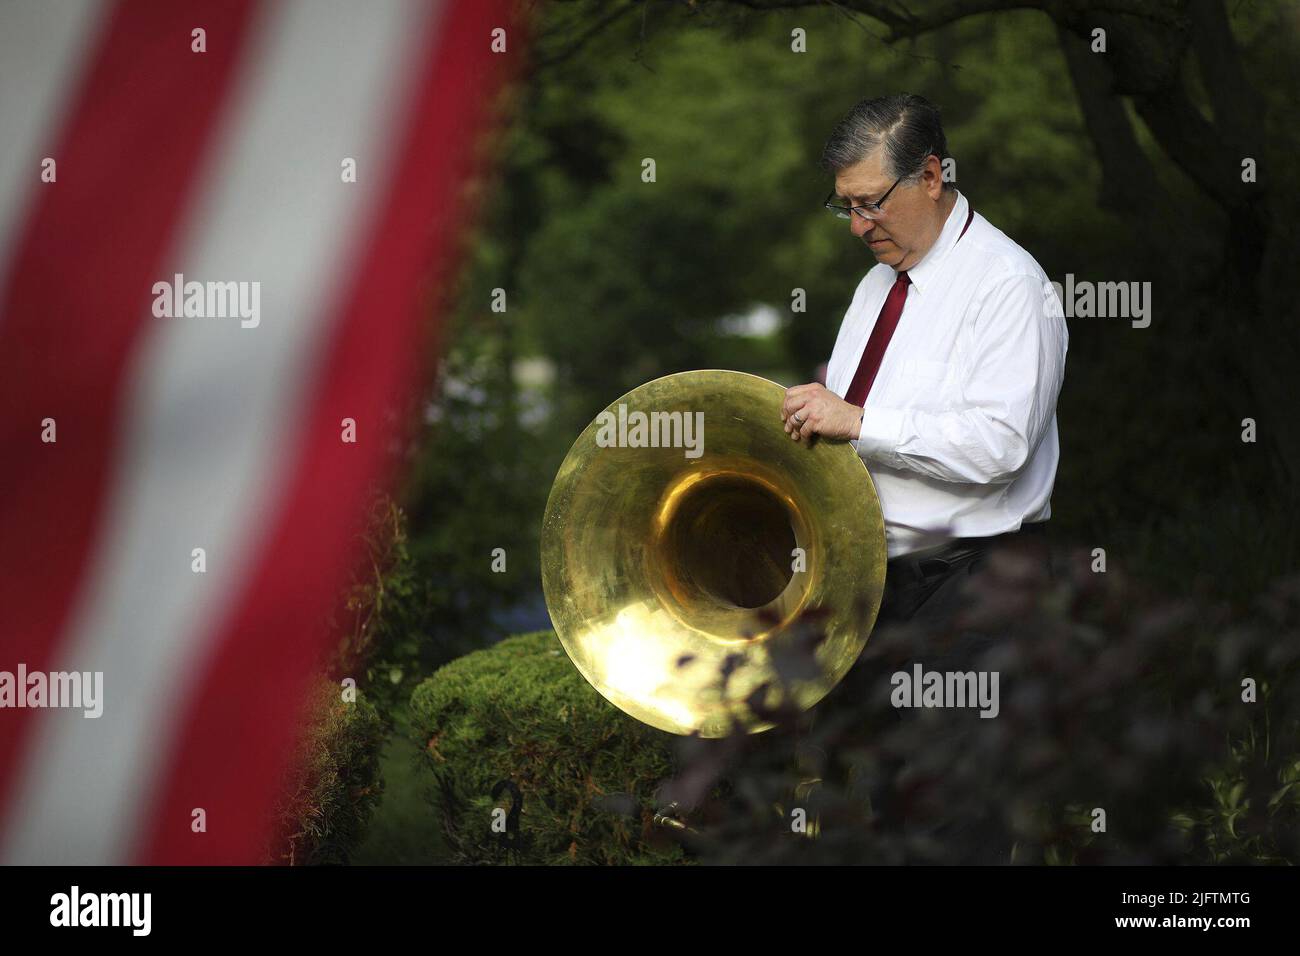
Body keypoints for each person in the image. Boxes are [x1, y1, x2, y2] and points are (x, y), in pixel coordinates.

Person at [782, 92, 1068, 862]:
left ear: (932, 175)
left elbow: (1001, 446)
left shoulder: (1012, 285)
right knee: (893, 812)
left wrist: (860, 422)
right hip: (881, 588)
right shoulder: (879, 282)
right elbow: (851, 433)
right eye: (843, 207)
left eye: (871, 203)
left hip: (973, 587)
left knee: (953, 824)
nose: (856, 227)